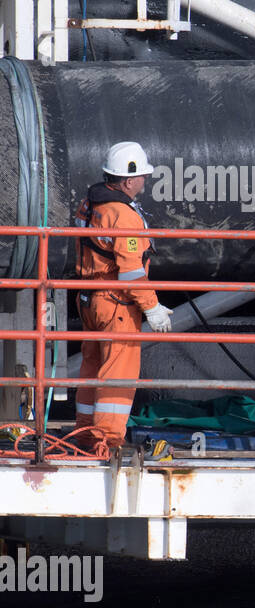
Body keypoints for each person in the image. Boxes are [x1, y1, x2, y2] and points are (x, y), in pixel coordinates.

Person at [73, 141, 173, 449]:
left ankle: (86, 435)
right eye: (142, 175)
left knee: (92, 367)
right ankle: (107, 442)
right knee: (118, 371)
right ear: (128, 180)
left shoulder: (89, 204)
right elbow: (130, 272)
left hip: (89, 298)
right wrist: (152, 307)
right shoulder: (123, 215)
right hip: (115, 302)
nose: (145, 180)